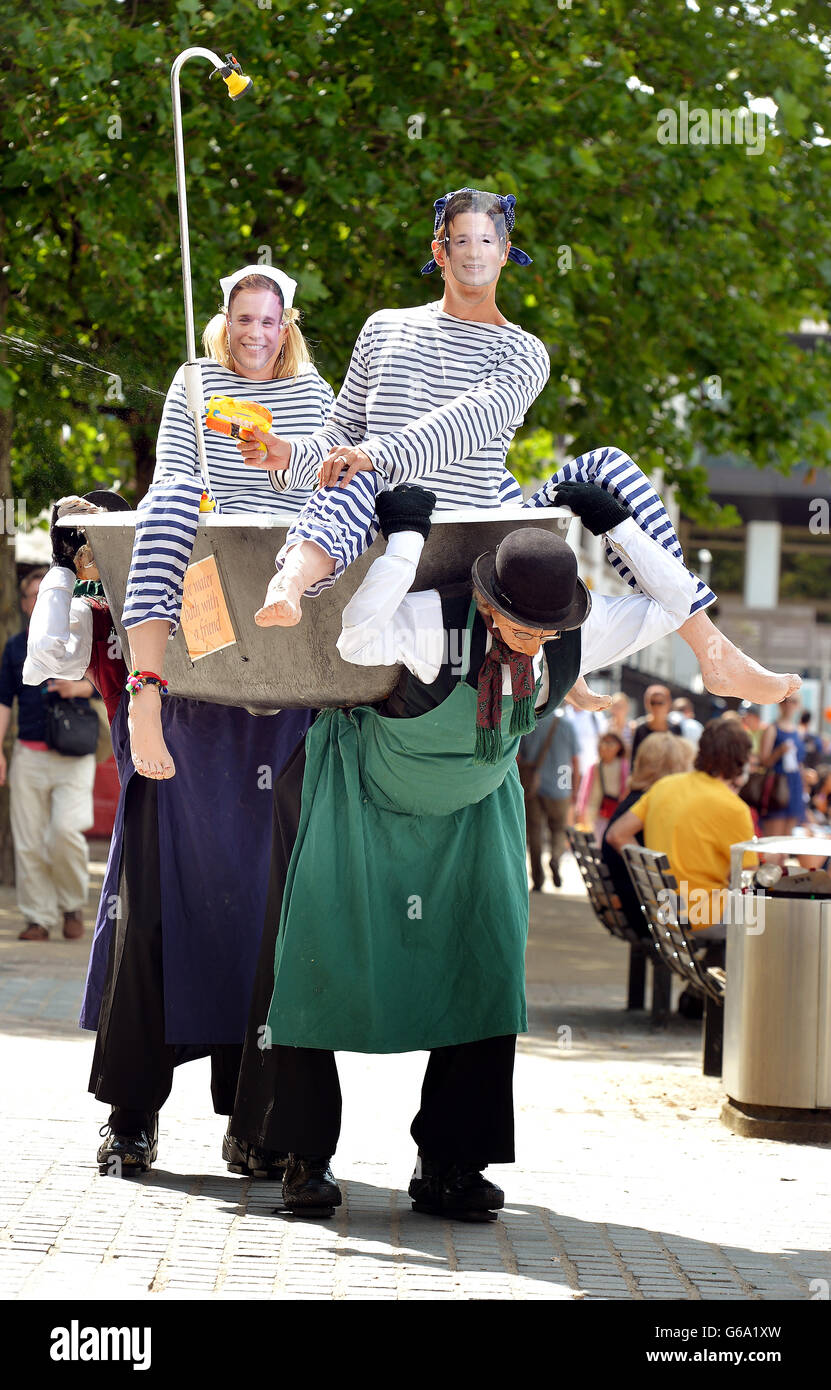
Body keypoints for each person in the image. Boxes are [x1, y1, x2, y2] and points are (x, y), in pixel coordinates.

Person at [229, 477, 703, 1221]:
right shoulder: (431, 620)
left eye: (547, 631)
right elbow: (356, 634)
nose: (536, 642)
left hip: (475, 810)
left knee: (484, 974)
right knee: (318, 965)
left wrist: (615, 521)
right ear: (487, 603)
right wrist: (407, 538)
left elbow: (678, 601)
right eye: (520, 627)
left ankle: (450, 1165)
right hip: (360, 798)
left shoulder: (574, 629)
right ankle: (303, 1155)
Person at [237, 185, 799, 710]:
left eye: (488, 240)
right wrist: (285, 454)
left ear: (506, 253)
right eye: (462, 240)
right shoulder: (384, 326)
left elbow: (468, 423)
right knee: (355, 477)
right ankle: (288, 582)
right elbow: (341, 437)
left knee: (608, 466)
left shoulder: (525, 352)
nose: (475, 252)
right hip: (386, 512)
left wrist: (375, 454)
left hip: (475, 519)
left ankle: (711, 650)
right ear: (439, 250)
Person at [51, 265, 329, 1177]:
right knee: (154, 900)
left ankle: (262, 1121)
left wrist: (279, 464)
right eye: (243, 318)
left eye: (270, 318)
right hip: (194, 662)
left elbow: (331, 496)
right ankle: (132, 1111)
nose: (256, 332)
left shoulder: (314, 393)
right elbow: (173, 486)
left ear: (287, 324)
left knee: (272, 917)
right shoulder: (192, 383)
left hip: (287, 671)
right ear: (225, 322)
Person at [0, 567, 97, 942]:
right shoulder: (14, 647)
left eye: (47, 595)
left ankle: (71, 904)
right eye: (33, 596)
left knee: (64, 832)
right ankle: (38, 918)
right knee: (28, 841)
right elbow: (3, 701)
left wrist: (83, 689)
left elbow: (119, 680)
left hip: (75, 755)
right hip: (29, 754)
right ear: (25, 605)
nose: (39, 601)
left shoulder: (81, 636)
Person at [607, 718, 756, 940]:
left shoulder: (665, 786)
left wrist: (649, 872)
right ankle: (723, 974)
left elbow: (617, 835)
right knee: (769, 920)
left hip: (663, 910)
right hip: (703, 916)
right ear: (741, 761)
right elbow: (747, 879)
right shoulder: (735, 808)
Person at [601, 732, 696, 938]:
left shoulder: (635, 800)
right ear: (674, 766)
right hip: (646, 912)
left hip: (634, 904)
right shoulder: (649, 804)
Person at [518, 708, 580, 889]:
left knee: (535, 832)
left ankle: (537, 879)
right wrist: (575, 790)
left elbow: (517, 756)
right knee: (559, 829)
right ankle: (555, 857)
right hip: (561, 787)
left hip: (533, 788)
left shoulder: (530, 724)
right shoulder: (567, 725)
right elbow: (575, 760)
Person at [759, 695, 807, 837]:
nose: (789, 705)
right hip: (777, 786)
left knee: (788, 838)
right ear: (780, 704)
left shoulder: (798, 731)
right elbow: (764, 761)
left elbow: (800, 763)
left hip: (795, 784)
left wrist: (805, 786)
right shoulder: (772, 729)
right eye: (786, 701)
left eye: (793, 702)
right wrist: (778, 752)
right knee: (774, 837)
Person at [577, 731, 628, 844]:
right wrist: (582, 810)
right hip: (596, 811)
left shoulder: (623, 765)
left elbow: (626, 789)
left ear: (619, 746)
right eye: (605, 743)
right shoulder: (595, 766)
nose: (607, 747)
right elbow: (585, 791)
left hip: (615, 811)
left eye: (611, 743)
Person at [630, 685, 684, 760]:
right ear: (647, 703)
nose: (656, 707)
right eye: (653, 702)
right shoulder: (640, 729)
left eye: (660, 702)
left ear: (668, 703)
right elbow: (635, 759)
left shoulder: (676, 729)